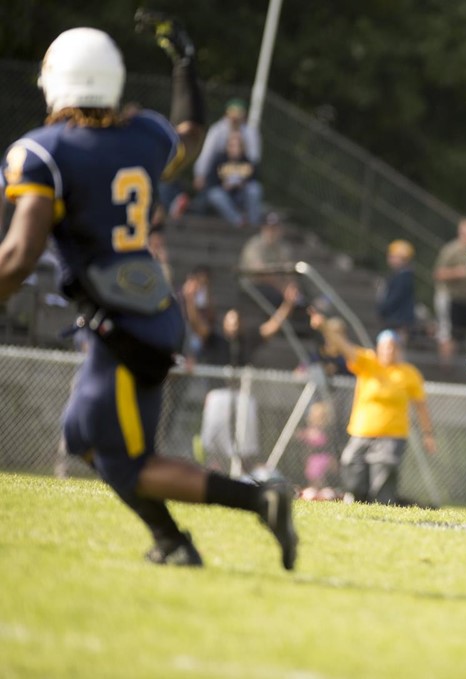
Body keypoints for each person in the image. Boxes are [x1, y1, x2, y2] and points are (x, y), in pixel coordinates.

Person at [0, 20, 296, 569]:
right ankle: (173, 542)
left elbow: (19, 255)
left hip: (120, 323)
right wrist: (186, 65)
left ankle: (258, 499)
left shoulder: (43, 152)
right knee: (83, 437)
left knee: (129, 460)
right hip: (151, 311)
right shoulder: (142, 136)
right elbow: (191, 132)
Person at [317, 319, 437, 504]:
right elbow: (344, 346)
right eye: (385, 347)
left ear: (398, 350)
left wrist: (428, 434)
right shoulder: (368, 362)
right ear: (378, 348)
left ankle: (384, 508)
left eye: (393, 347)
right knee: (350, 465)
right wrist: (323, 327)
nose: (389, 351)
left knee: (383, 477)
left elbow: (421, 407)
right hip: (361, 432)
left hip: (392, 436)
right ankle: (356, 501)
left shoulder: (409, 373)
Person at [433, 217, 466, 361]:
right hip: (449, 298)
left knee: (462, 334)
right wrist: (457, 272)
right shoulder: (451, 250)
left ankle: (458, 365)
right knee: (447, 333)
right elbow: (438, 273)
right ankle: (446, 369)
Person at [192, 97, 261, 197]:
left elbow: (253, 159)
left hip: (242, 174)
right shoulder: (217, 130)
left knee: (254, 190)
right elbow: (207, 154)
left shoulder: (250, 132)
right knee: (214, 195)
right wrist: (200, 174)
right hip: (219, 174)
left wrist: (242, 178)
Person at [202, 130, 263, 228]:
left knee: (255, 189)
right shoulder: (219, 160)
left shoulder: (248, 162)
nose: (235, 148)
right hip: (225, 196)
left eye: (238, 145)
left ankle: (254, 223)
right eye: (232, 145)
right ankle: (238, 221)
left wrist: (242, 185)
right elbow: (210, 183)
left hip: (240, 196)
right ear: (227, 146)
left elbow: (255, 181)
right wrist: (224, 186)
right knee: (215, 195)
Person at [238, 211, 295, 308]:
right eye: (269, 228)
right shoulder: (254, 245)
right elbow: (261, 273)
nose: (272, 231)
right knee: (278, 298)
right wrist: (283, 288)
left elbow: (290, 270)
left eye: (275, 228)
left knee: (301, 298)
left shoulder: (282, 247)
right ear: (263, 228)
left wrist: (292, 287)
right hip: (254, 285)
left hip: (277, 285)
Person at [377, 239, 417, 339]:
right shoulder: (399, 276)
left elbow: (395, 297)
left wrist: (383, 308)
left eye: (393, 257)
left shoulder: (403, 277)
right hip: (395, 319)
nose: (390, 259)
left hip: (398, 319)